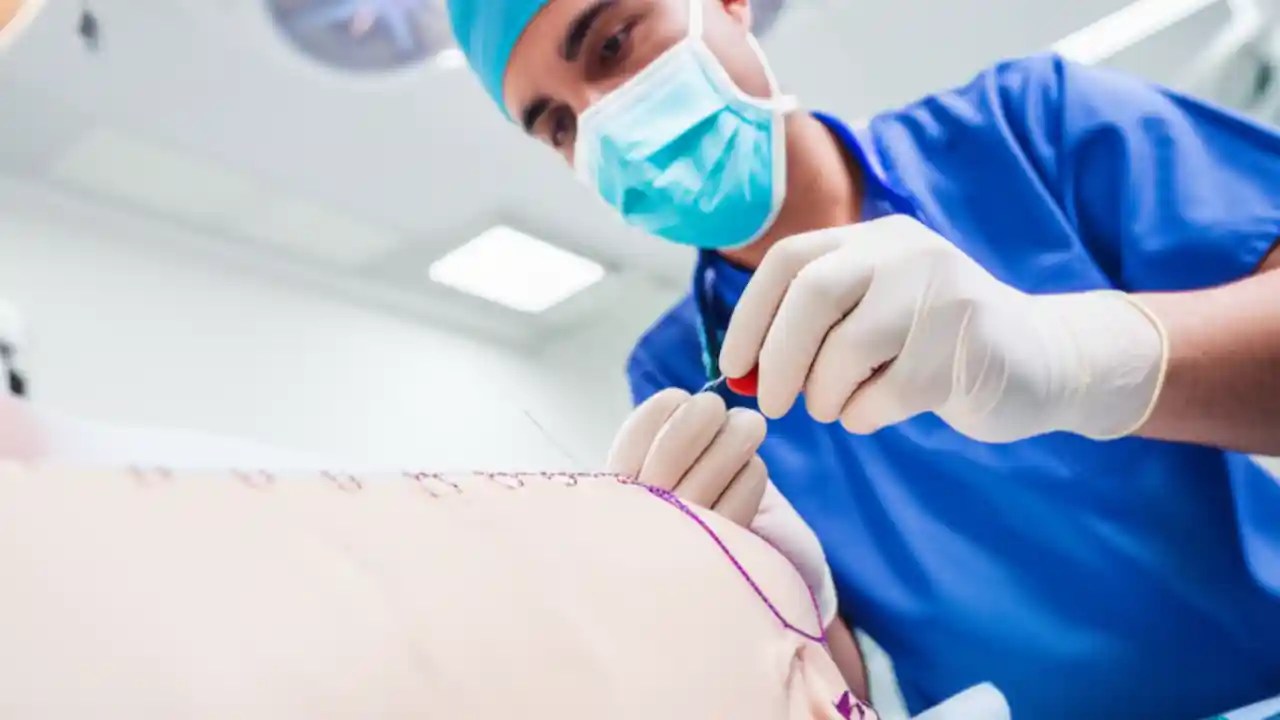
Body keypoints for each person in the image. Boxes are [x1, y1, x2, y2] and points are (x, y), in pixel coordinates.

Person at [445, 0, 1280, 718]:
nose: (603, 124)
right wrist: (785, 615)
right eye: (559, 125)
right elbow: (839, 693)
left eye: (611, 43)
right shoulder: (677, 375)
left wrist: (1078, 355)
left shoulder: (1026, 128)